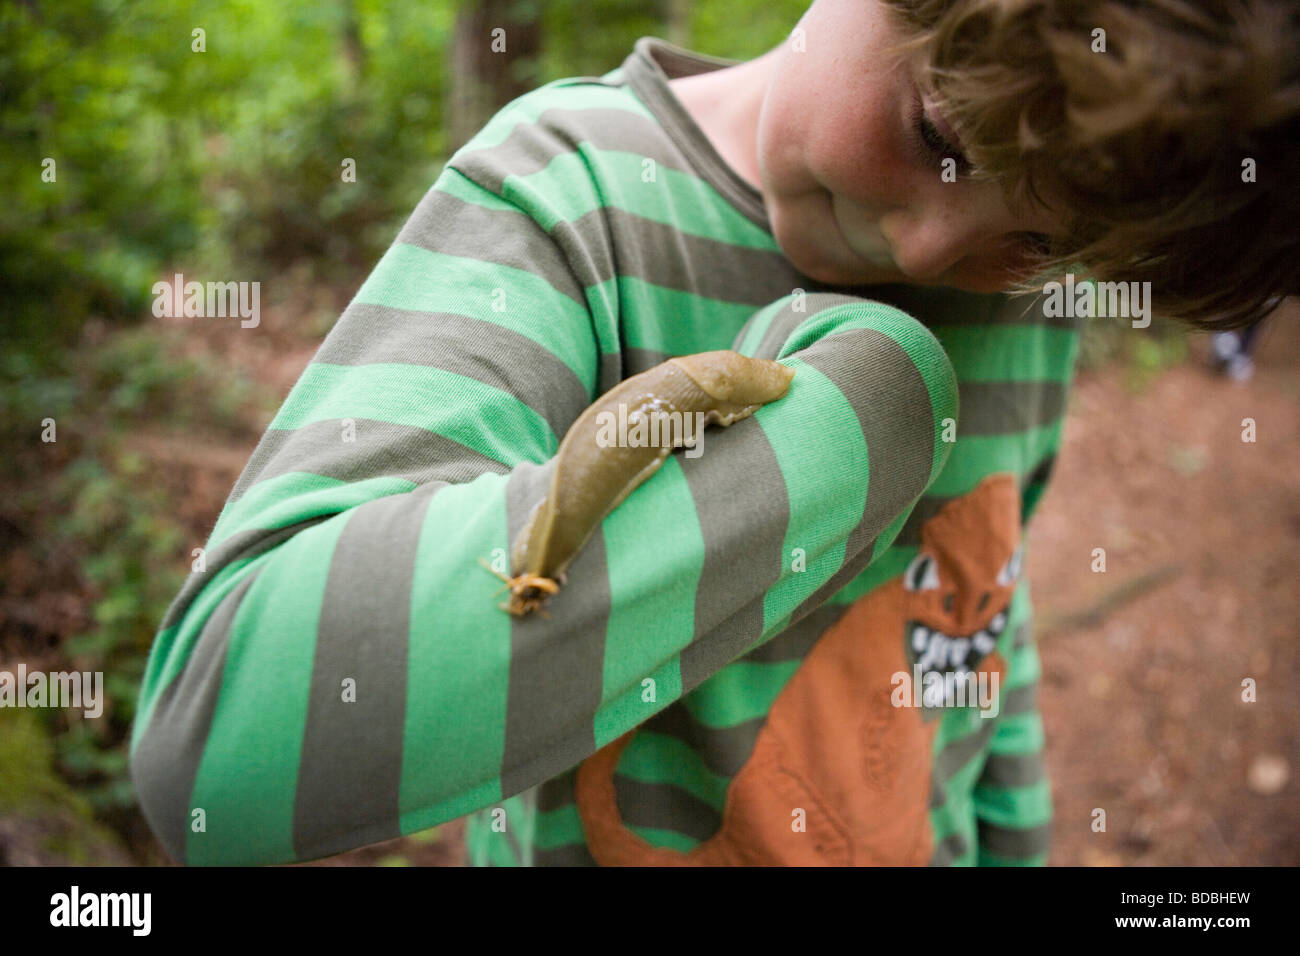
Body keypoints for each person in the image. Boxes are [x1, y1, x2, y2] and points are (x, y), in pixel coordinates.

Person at [130, 0, 1299, 866]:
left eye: (1051, 240)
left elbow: (980, 619)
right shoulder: (561, 200)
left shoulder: (1028, 318)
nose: (935, 252)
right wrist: (870, 407)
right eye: (939, 137)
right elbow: (216, 744)